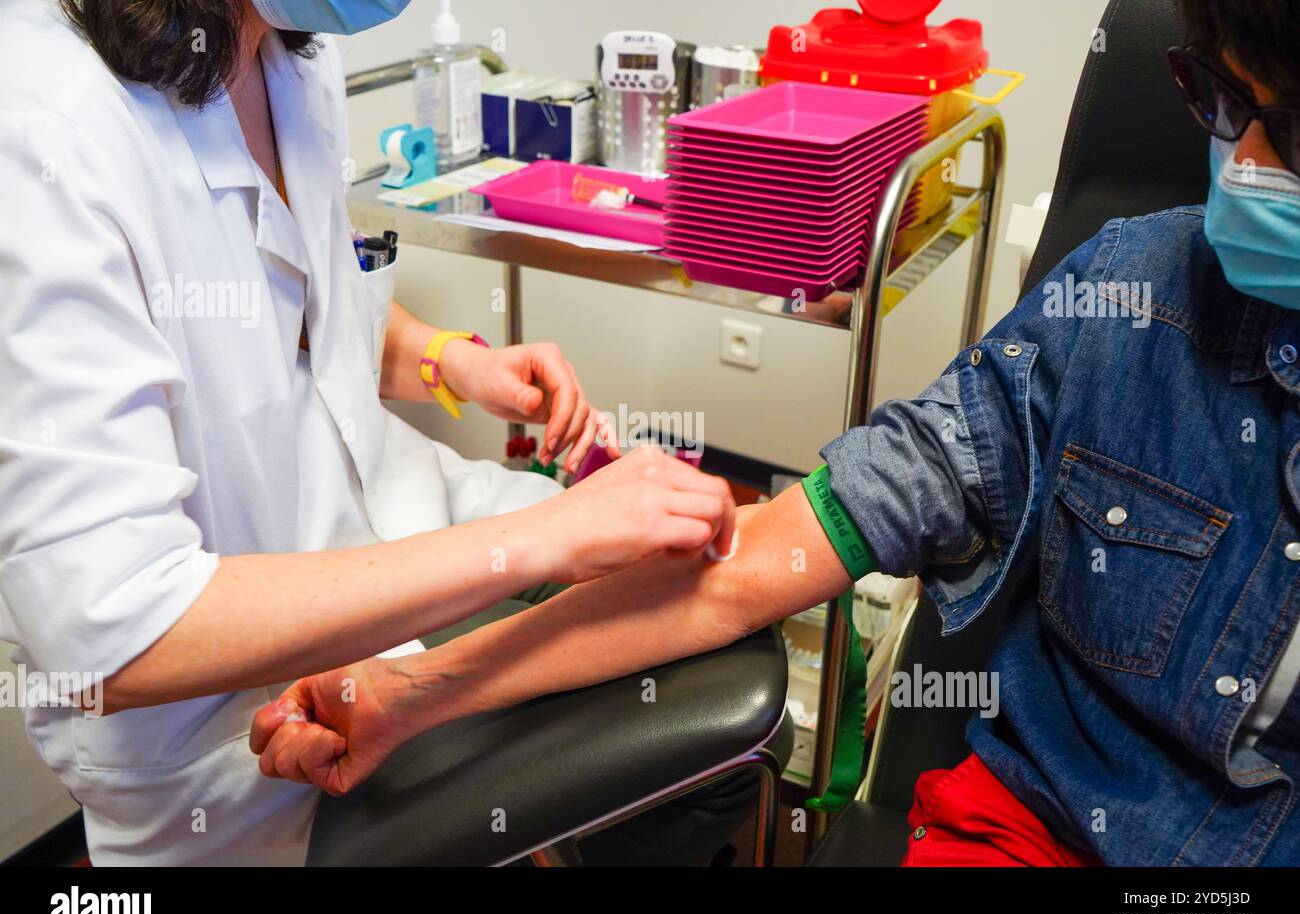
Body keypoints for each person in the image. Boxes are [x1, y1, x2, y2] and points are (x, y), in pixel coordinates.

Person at [255, 0, 1300, 866]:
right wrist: (405, 691)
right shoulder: (1126, 301)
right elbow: (755, 561)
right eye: (1218, 103)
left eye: (1287, 131)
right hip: (1041, 831)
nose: (1242, 164)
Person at [0, 0, 737, 865]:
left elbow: (299, 298)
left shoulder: (283, 54)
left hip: (398, 520)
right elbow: (116, 633)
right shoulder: (42, 135)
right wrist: (546, 538)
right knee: (697, 736)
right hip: (238, 729)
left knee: (706, 607)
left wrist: (449, 361)